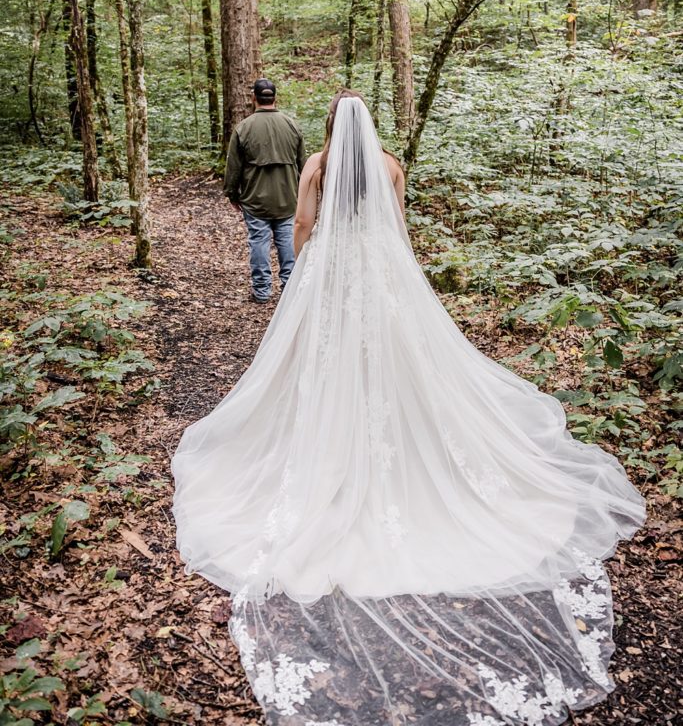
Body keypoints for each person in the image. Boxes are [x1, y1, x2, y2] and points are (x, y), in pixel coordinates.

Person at [174, 90, 645, 726]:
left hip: (336, 274)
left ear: (334, 127)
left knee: (329, 367)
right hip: (381, 273)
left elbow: (306, 228)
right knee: (400, 369)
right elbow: (398, 225)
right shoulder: (393, 164)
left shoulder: (318, 164)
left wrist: (307, 277)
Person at [223, 78, 306, 303]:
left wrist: (232, 192)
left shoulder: (244, 127)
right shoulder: (291, 125)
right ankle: (289, 289)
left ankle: (262, 291)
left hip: (255, 197)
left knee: (258, 241)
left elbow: (234, 166)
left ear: (254, 98)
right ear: (275, 97)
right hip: (288, 196)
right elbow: (303, 164)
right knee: (287, 240)